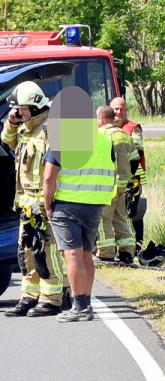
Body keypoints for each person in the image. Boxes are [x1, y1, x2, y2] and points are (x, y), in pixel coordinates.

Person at [41, 103, 118, 321]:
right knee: (86, 255)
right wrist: (103, 199)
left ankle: (79, 307)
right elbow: (112, 172)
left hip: (66, 205)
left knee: (72, 255)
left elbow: (49, 177)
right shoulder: (104, 140)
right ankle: (86, 303)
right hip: (93, 205)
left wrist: (48, 204)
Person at [1, 82, 65, 317]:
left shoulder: (50, 130)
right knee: (26, 252)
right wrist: (12, 122)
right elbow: (7, 141)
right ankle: (29, 296)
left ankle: (52, 299)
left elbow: (58, 171)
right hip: (26, 205)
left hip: (44, 204)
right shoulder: (26, 129)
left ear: (35, 107)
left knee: (46, 253)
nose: (18, 112)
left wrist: (47, 202)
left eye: (21, 109)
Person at [97, 104, 141, 264]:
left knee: (104, 219)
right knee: (120, 218)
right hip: (123, 185)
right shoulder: (125, 135)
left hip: (107, 186)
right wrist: (127, 178)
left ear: (101, 119)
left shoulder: (101, 135)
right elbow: (135, 159)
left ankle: (106, 253)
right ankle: (127, 252)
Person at [112, 96, 149, 254]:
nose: (119, 112)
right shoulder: (106, 127)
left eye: (122, 109)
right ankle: (117, 247)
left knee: (133, 212)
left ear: (126, 110)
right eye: (116, 109)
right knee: (114, 213)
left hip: (133, 177)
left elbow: (138, 151)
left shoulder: (133, 128)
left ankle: (137, 246)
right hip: (113, 177)